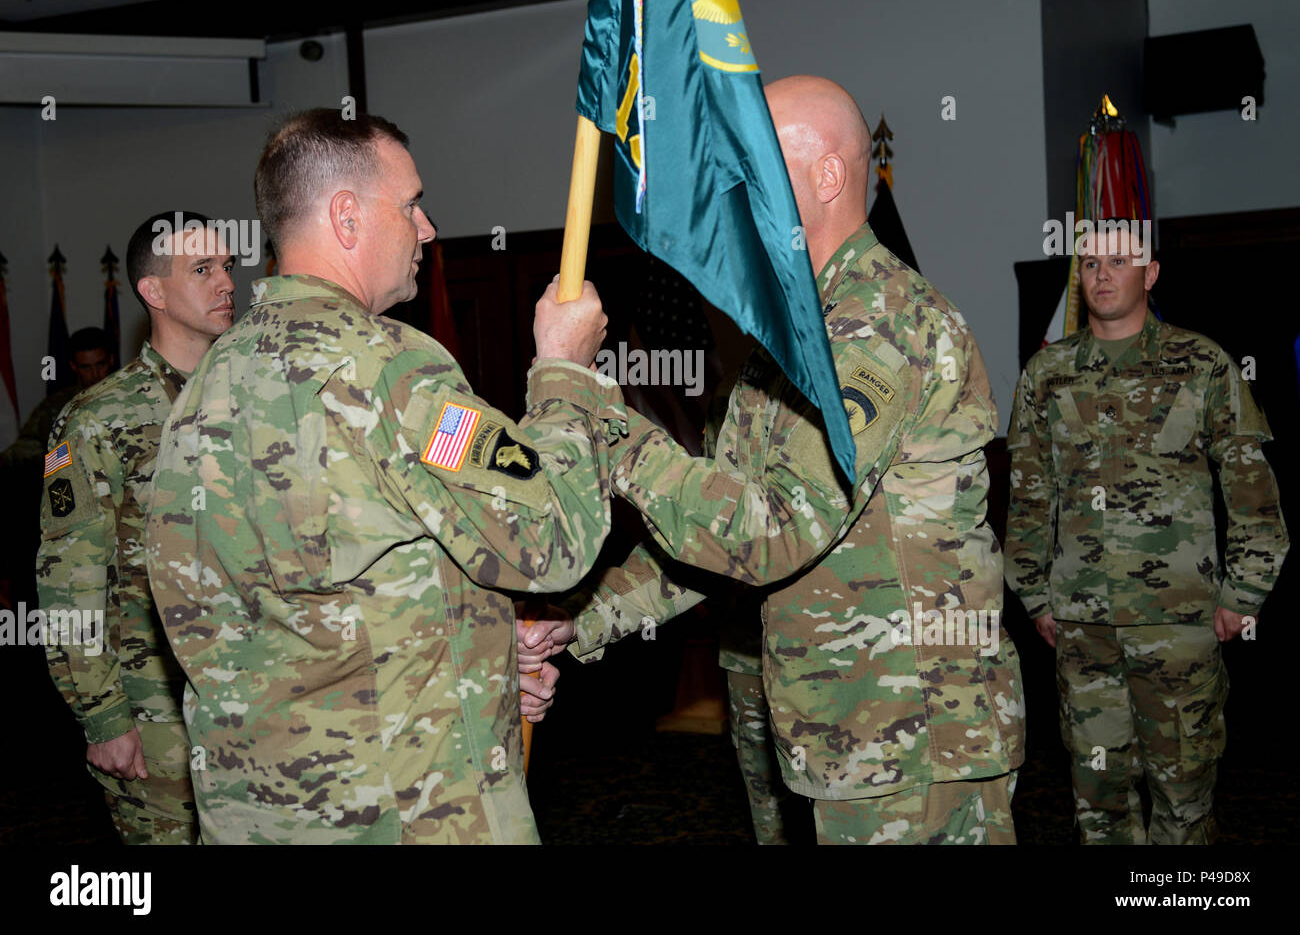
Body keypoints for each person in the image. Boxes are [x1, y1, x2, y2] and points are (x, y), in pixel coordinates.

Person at [522, 75, 1026, 845]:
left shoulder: (878, 323)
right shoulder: (788, 342)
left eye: (754, 166)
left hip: (916, 731)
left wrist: (600, 417)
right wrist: (578, 619)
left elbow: (770, 533)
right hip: (848, 725)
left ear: (827, 177)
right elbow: (715, 537)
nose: (733, 189)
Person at [144, 109, 623, 845]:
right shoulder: (389, 367)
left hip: (258, 818)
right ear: (345, 217)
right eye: (410, 205)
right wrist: (563, 372)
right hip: (412, 816)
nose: (427, 229)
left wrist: (484, 651)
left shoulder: (203, 387)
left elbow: (258, 617)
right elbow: (553, 536)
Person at [1005, 225, 1288, 844]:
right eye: (1090, 262)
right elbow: (1029, 493)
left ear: (1151, 273)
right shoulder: (1046, 374)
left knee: (1183, 798)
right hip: (1081, 629)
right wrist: (1032, 594)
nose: (1102, 273)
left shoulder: (1204, 364)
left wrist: (1244, 593)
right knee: (1097, 799)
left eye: (1120, 260)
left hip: (1179, 625)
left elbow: (1251, 489)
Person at [35, 213, 236, 843]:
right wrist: (102, 718)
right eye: (202, 270)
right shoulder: (97, 420)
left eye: (229, 266)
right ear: (153, 292)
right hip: (157, 714)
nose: (226, 282)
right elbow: (69, 583)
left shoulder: (252, 399)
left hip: (255, 702)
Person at [2, 327, 113, 466]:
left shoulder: (132, 399)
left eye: (100, 364)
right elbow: (24, 450)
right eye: (86, 367)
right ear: (73, 366)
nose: (95, 374)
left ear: (111, 360)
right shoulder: (57, 406)